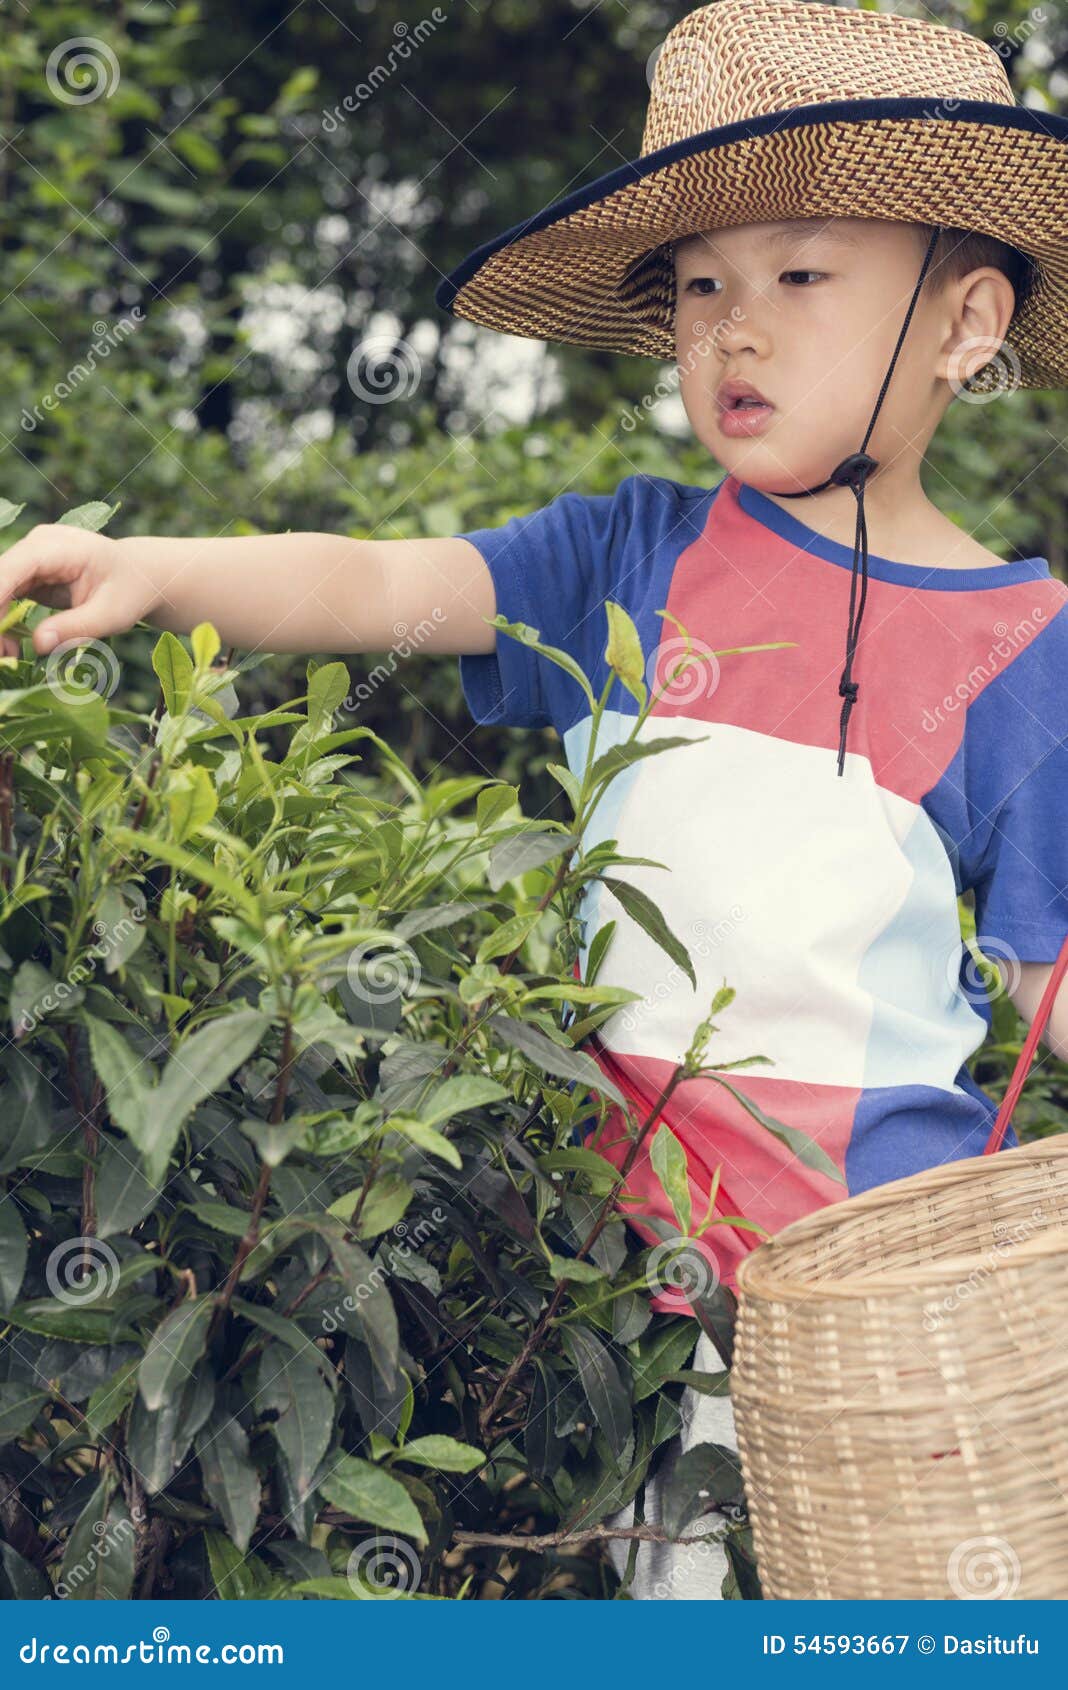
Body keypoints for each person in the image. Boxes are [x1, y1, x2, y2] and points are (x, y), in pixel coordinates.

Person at [0, 0, 1065, 1602]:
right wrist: (158, 571)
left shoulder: (1019, 652)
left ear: (965, 321)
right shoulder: (624, 559)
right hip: (592, 1301)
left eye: (798, 273)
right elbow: (380, 579)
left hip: (856, 1302)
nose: (736, 328)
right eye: (701, 285)